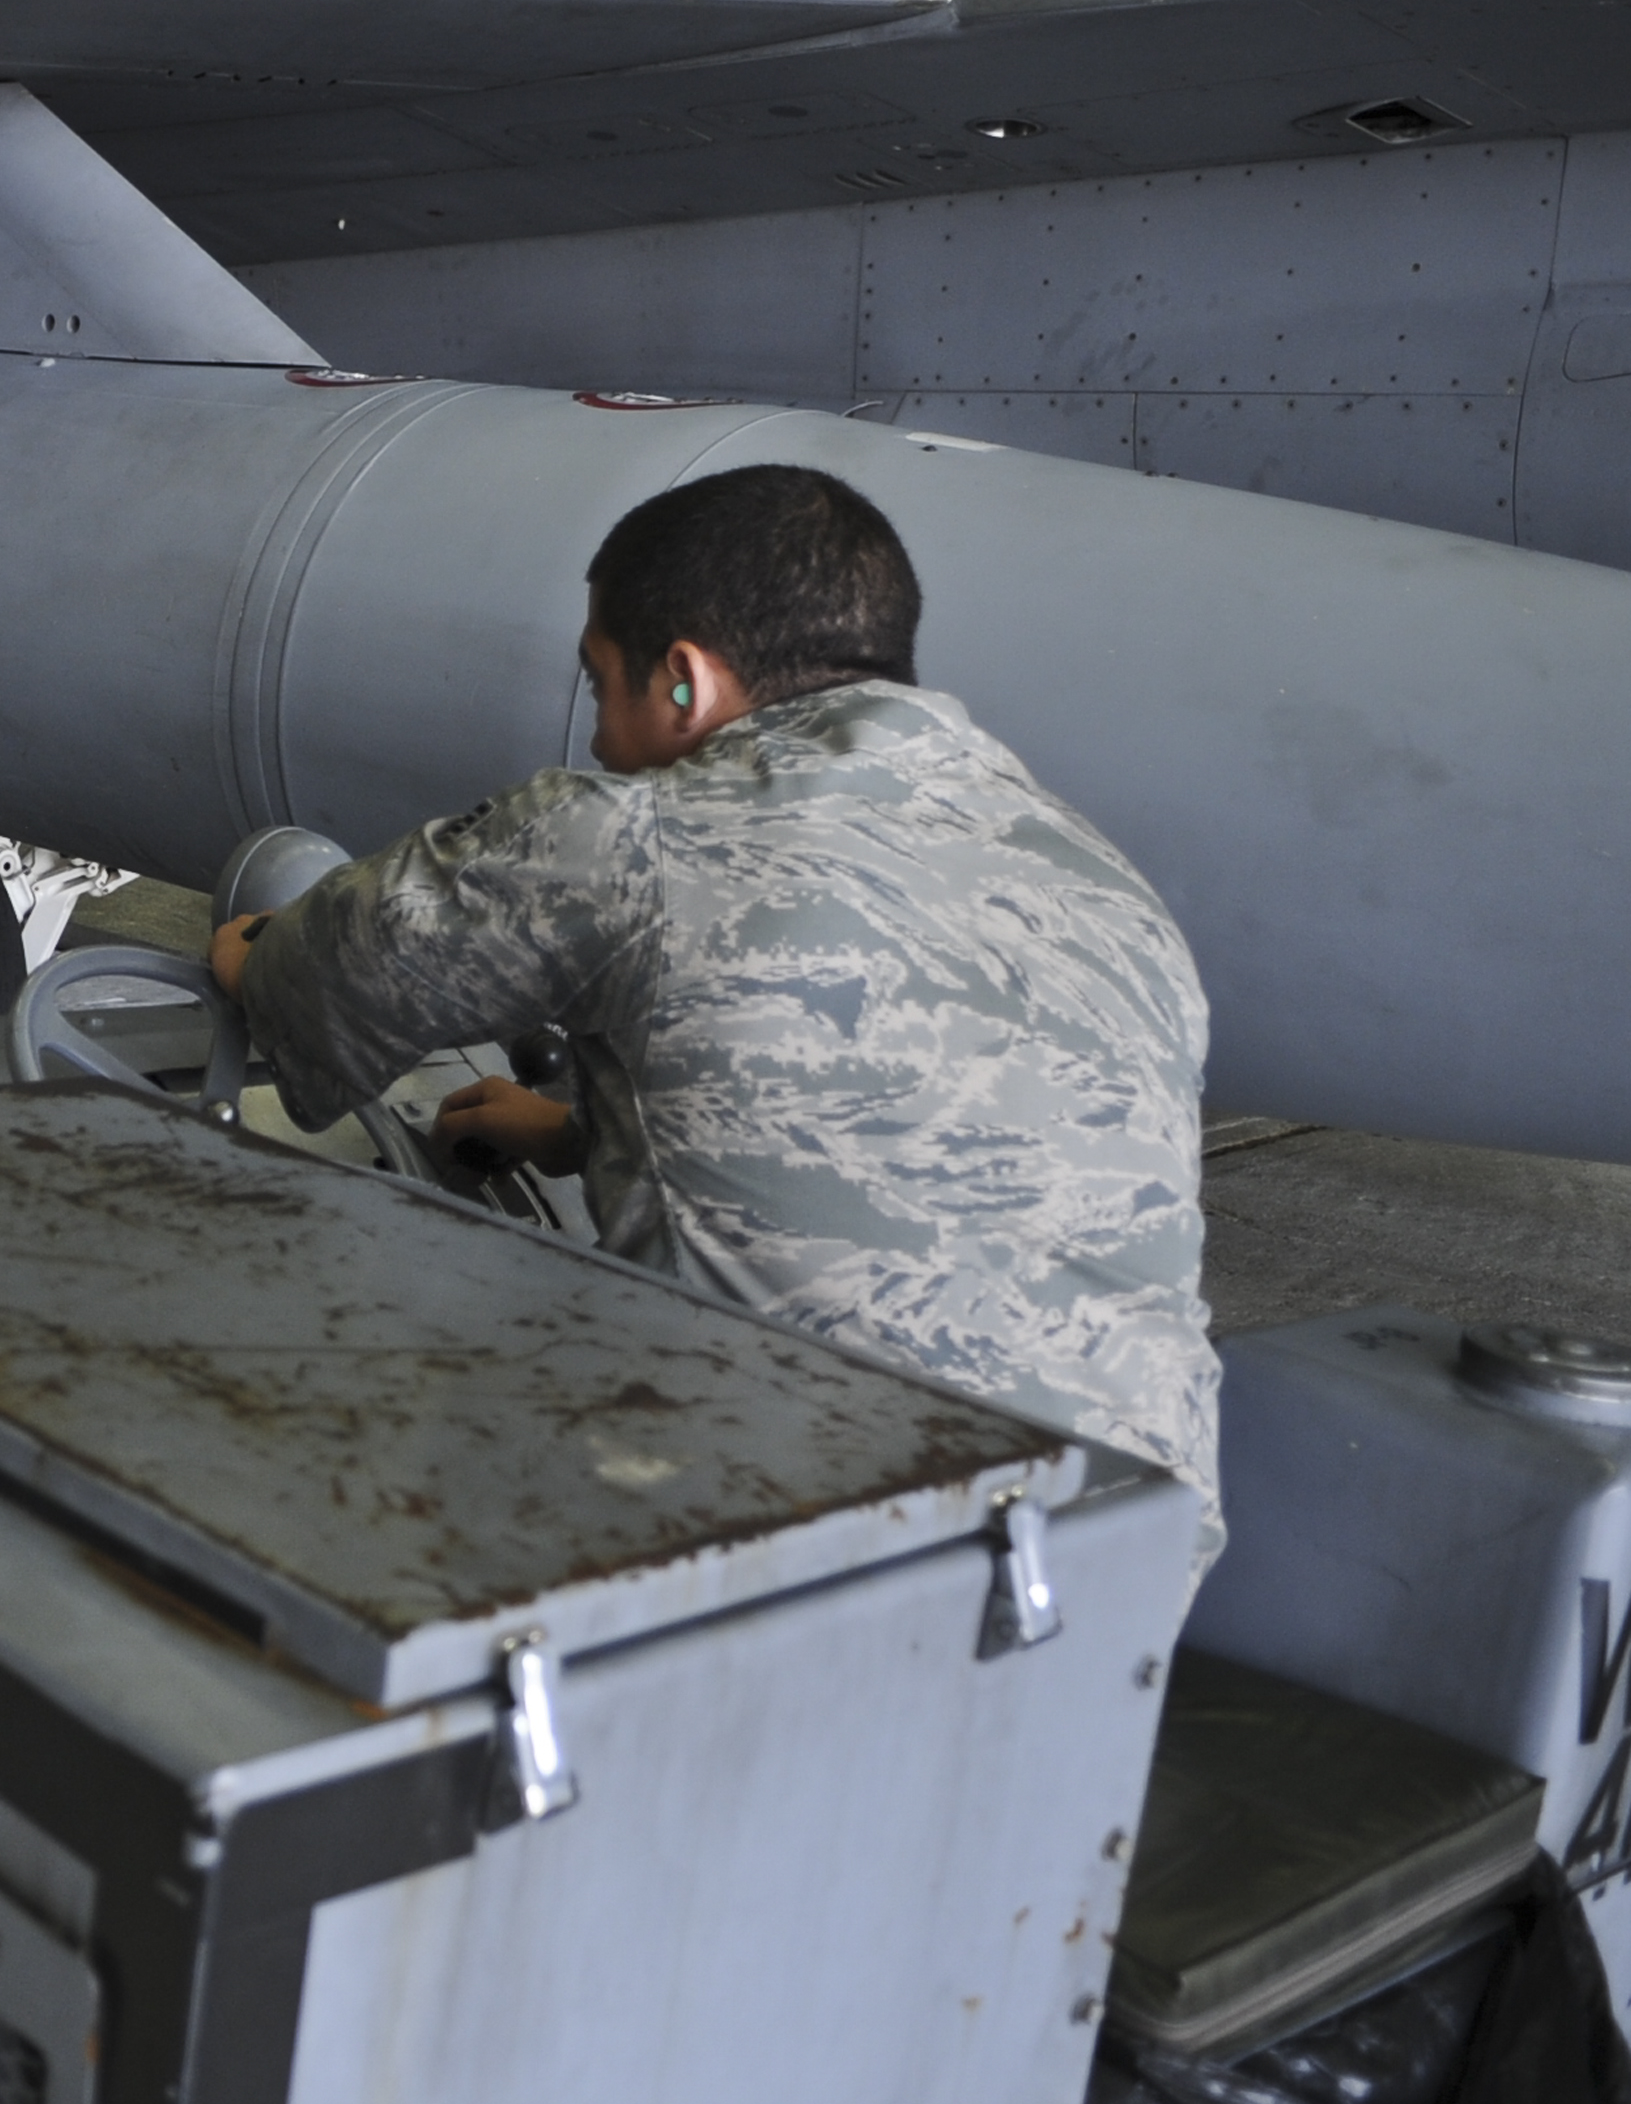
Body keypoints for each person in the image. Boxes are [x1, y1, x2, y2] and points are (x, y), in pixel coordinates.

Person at [216, 464, 1225, 1552]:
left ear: (684, 681)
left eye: (601, 684)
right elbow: (897, 1106)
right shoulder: (1097, 881)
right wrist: (575, 1134)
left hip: (809, 1559)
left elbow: (334, 980)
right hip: (1118, 1558)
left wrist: (256, 955)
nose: (600, 737)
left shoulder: (643, 837)